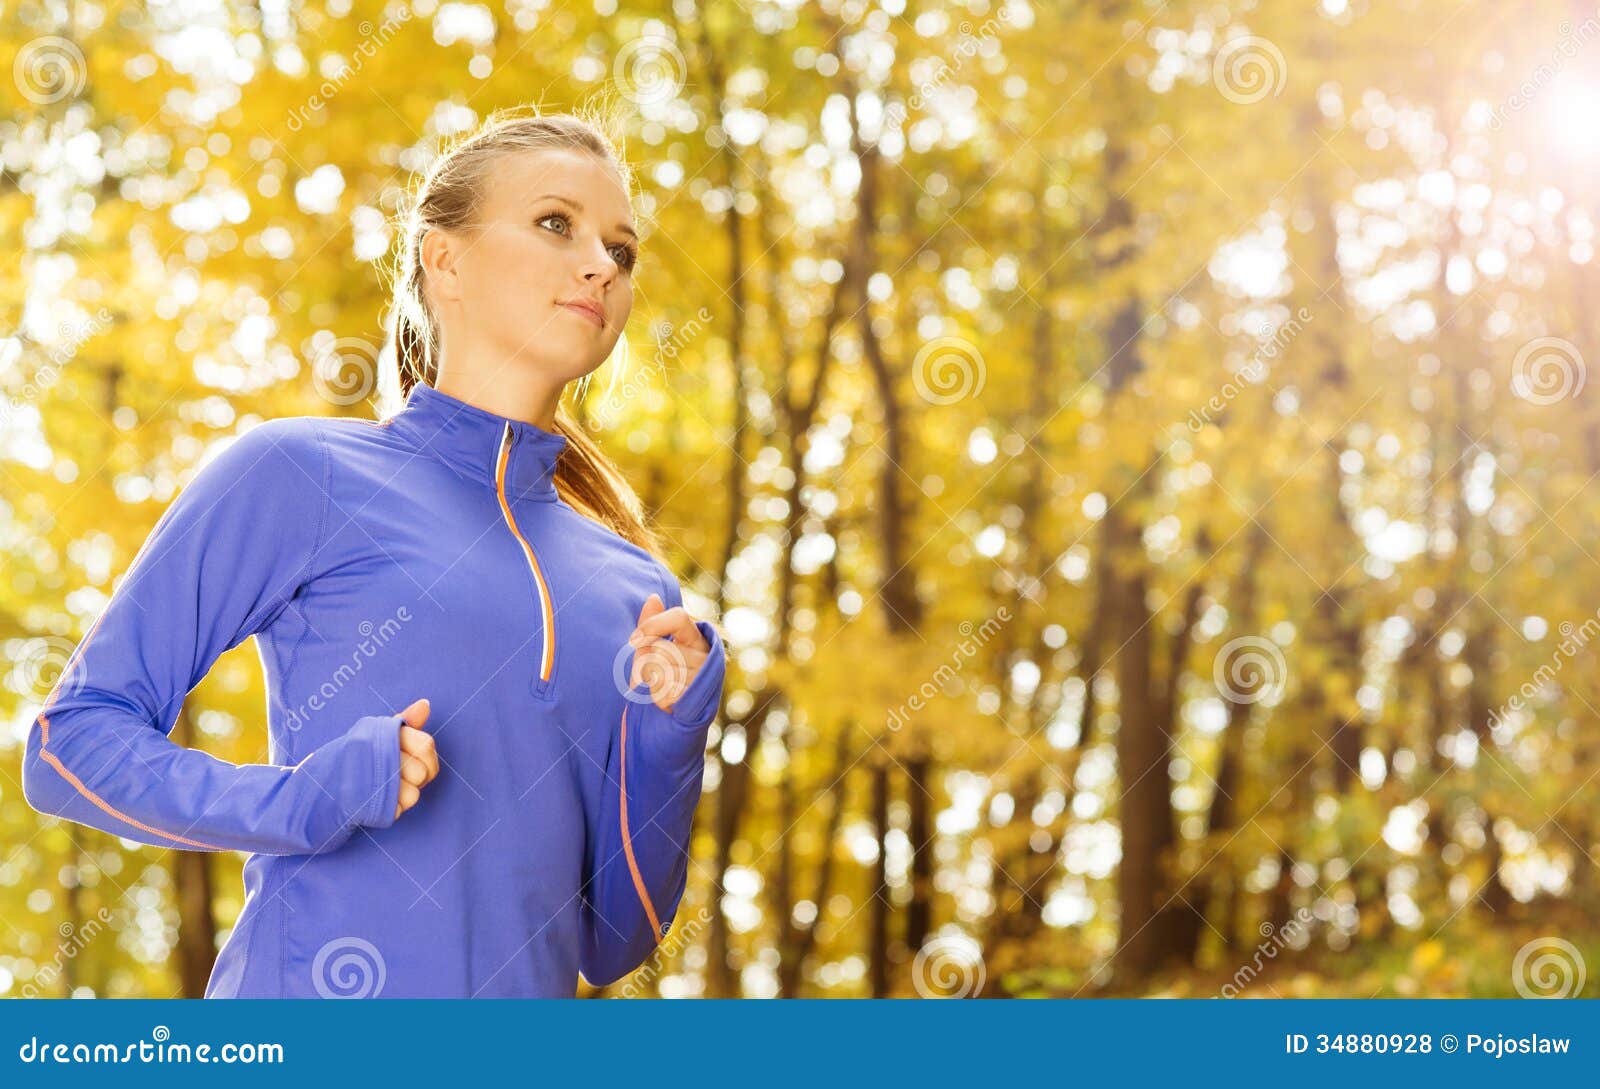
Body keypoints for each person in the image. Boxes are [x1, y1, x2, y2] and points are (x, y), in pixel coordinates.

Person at [22, 107, 727, 998]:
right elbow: (67, 746)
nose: (600, 265)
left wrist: (673, 734)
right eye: (557, 224)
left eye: (621, 251)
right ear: (446, 258)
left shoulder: (636, 590)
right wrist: (299, 801)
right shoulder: (300, 472)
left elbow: (613, 937)